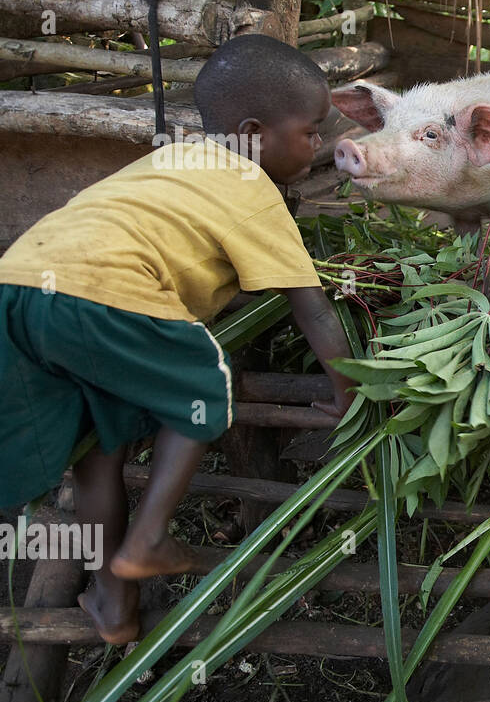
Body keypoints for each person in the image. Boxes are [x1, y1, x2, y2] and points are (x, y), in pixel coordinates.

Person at [0, 33, 357, 644]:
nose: (319, 145)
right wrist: (350, 389)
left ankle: (113, 602)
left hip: (17, 286)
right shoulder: (250, 186)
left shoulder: (164, 161)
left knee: (97, 451)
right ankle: (150, 538)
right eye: (312, 131)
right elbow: (313, 308)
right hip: (104, 292)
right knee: (202, 384)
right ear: (254, 131)